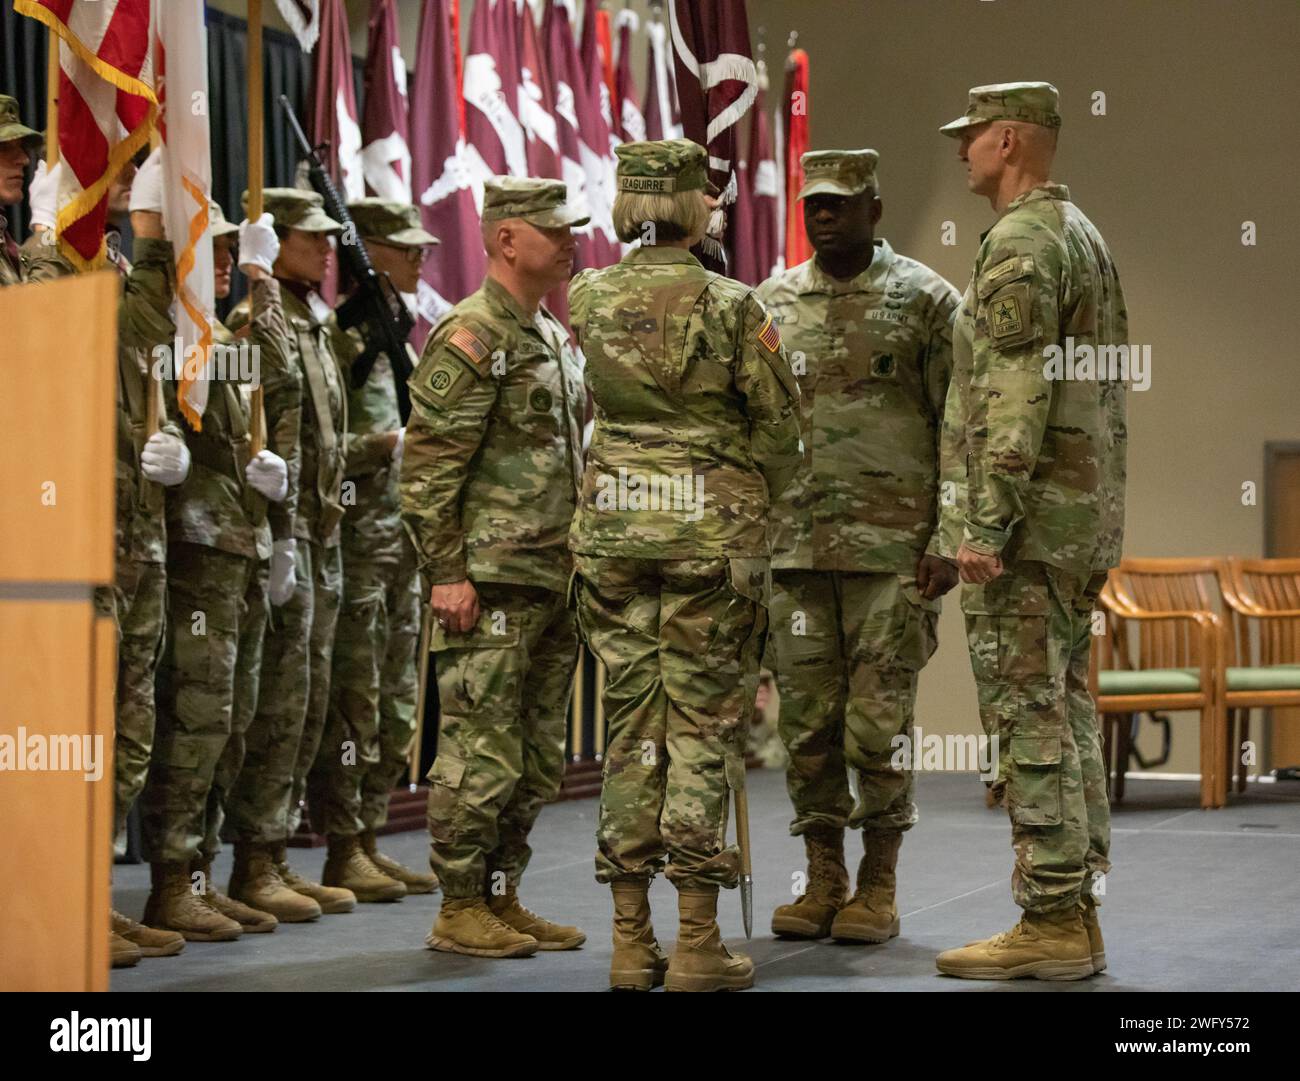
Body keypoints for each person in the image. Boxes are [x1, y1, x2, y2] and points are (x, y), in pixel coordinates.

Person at [568, 138, 802, 991]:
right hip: (709, 536)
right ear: (695, 204)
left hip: (617, 534)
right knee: (701, 728)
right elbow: (780, 428)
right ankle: (697, 939)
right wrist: (759, 492)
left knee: (632, 729)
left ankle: (632, 942)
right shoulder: (735, 304)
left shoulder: (586, 293)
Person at [932, 82, 1127, 980]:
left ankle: (1047, 916)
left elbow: (1014, 397)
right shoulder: (1080, 233)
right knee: (1066, 703)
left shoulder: (1018, 243)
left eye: (972, 137)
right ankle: (1074, 910)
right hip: (1079, 519)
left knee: (1025, 712)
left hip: (1031, 524)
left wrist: (986, 522)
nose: (962, 151)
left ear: (1008, 139)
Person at [757, 149, 961, 946]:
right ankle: (823, 877)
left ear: (876, 208)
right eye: (814, 204)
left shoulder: (925, 300)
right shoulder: (771, 302)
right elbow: (755, 429)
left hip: (891, 557)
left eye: (842, 202)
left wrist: (947, 536)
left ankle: (878, 882)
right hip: (797, 555)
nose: (824, 215)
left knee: (878, 729)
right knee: (806, 730)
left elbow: (961, 425)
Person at [400, 176, 588, 958]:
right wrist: (447, 570)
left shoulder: (545, 333)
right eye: (554, 229)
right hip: (490, 579)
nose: (570, 240)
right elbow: (429, 467)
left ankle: (503, 895)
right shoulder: (472, 333)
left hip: (552, 577)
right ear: (507, 238)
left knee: (536, 756)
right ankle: (459, 904)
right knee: (480, 751)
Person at [24, 149, 194, 962]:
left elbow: (150, 336)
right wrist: (48, 246)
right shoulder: (32, 272)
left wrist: (152, 241)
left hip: (129, 532)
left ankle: (91, 893)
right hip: (58, 540)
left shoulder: (109, 267)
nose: (16, 160)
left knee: (124, 726)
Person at [142, 199, 310, 935]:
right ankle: (171, 878)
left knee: (234, 723)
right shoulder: (170, 338)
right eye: (201, 257)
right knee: (197, 722)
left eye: (220, 259)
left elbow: (282, 374)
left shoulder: (220, 340)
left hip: (240, 550)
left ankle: (203, 873)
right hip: (196, 560)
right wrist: (164, 468)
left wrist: (262, 281)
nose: (213, 272)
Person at [222, 189, 356, 915]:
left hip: (319, 530)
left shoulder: (313, 322)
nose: (328, 249)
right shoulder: (256, 323)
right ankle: (251, 860)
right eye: (314, 237)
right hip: (282, 529)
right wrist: (275, 531)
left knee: (305, 701)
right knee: (274, 701)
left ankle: (273, 849)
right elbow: (256, 428)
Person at [313, 198, 440, 896]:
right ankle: (340, 845)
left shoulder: (401, 339)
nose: (420, 256)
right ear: (371, 250)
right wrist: (383, 446)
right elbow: (320, 444)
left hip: (402, 546)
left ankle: (368, 831)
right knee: (354, 701)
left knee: (394, 704)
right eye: (406, 246)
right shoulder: (343, 339)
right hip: (359, 542)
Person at [0, 94, 39, 285]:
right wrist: (45, 231)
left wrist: (47, 237)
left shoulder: (8, 245)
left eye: (21, 147)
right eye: (4, 148)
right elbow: (37, 312)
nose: (24, 159)